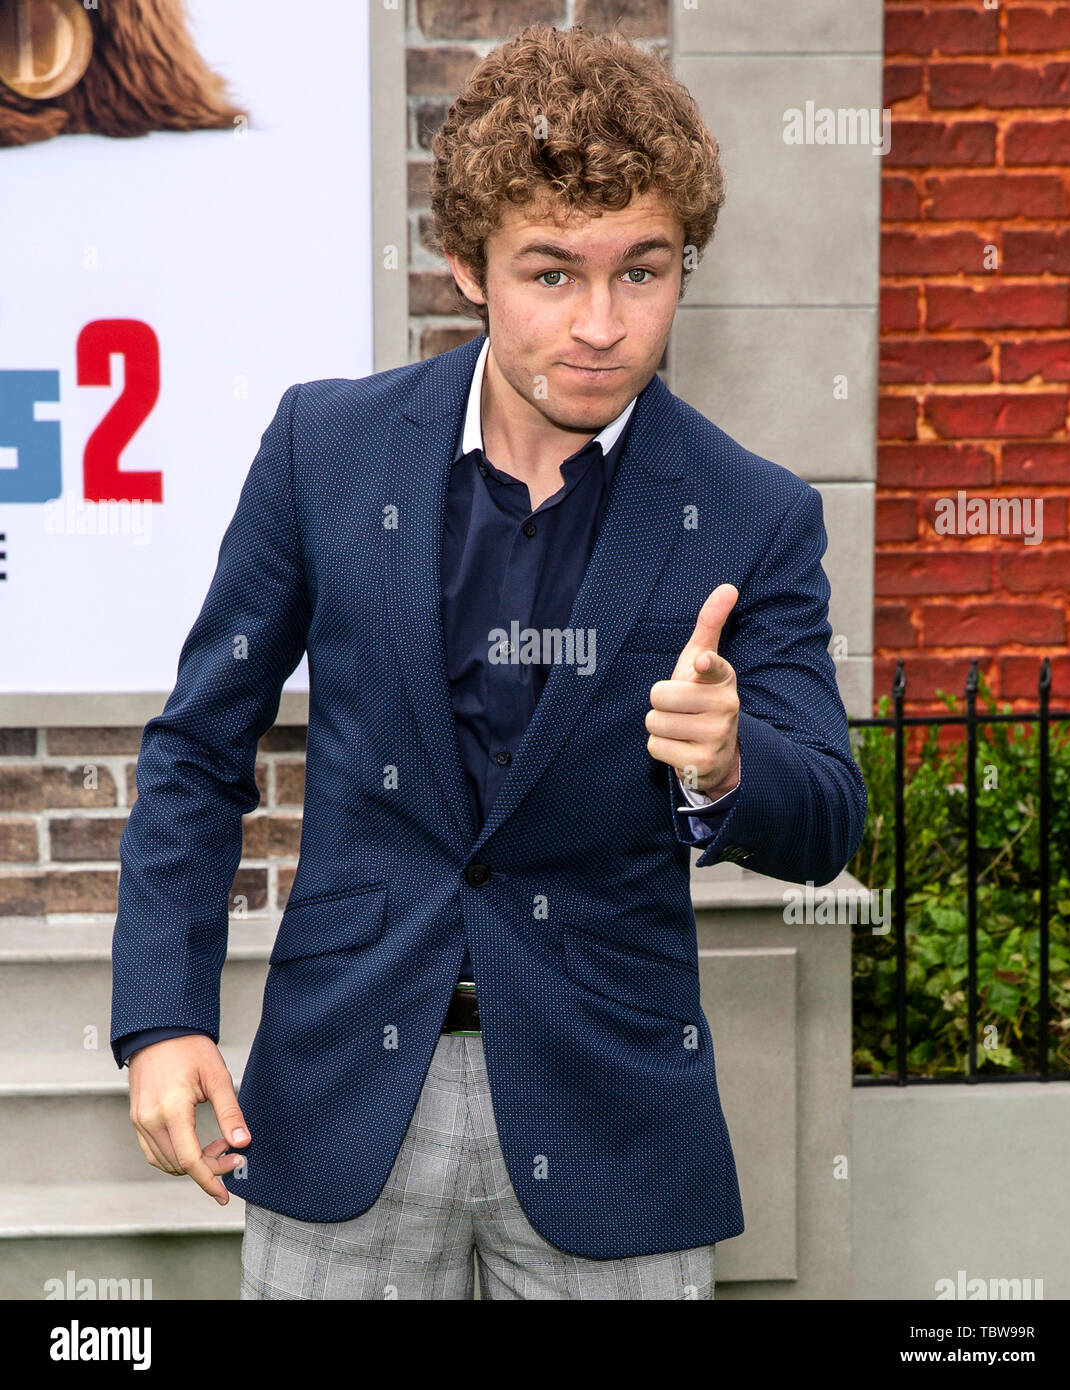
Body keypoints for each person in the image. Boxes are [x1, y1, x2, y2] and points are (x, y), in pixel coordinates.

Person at [112, 23, 866, 1300]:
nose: (599, 325)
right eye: (551, 273)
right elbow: (198, 745)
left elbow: (828, 818)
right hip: (341, 1094)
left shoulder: (751, 511)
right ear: (465, 265)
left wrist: (730, 766)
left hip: (612, 1113)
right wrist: (162, 1015)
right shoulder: (324, 449)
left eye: (641, 272)